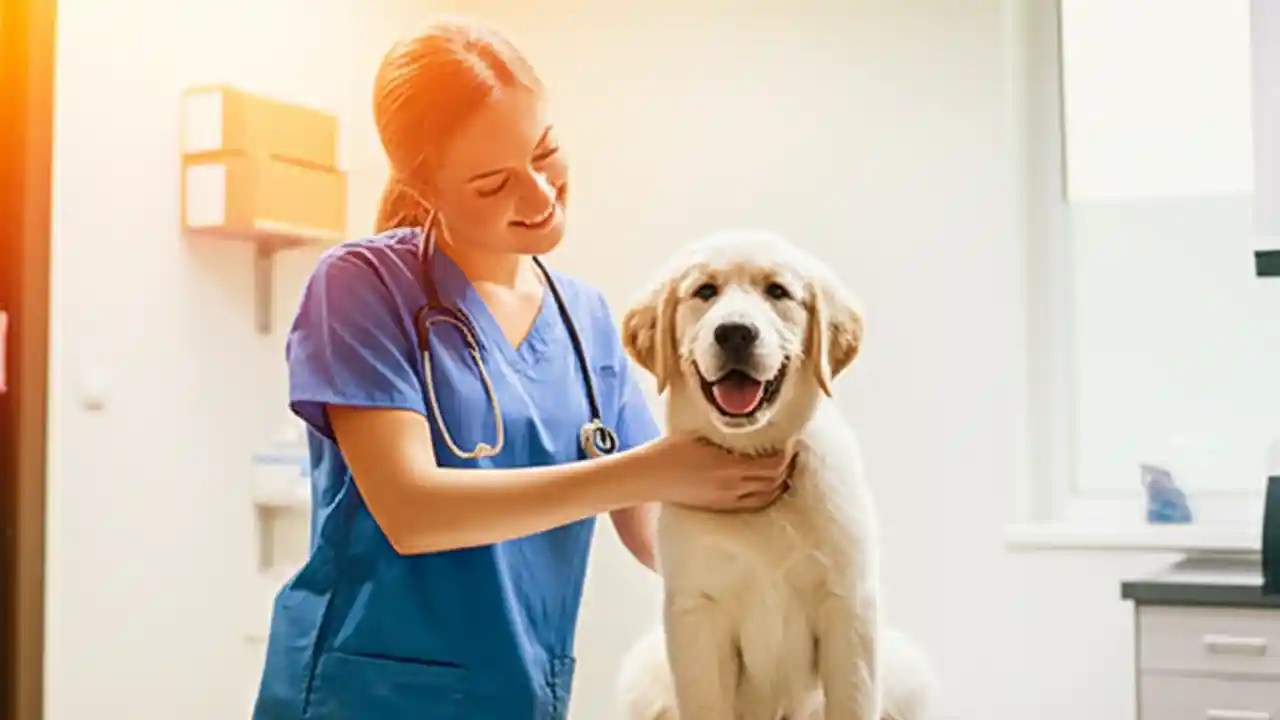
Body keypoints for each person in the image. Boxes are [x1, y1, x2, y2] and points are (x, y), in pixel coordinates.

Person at [250, 16, 793, 720]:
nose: (539, 196)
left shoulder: (585, 319)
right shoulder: (361, 287)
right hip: (367, 698)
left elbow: (655, 529)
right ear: (428, 189)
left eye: (546, 153)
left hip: (516, 696)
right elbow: (411, 511)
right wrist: (654, 467)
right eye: (492, 183)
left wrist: (782, 599)